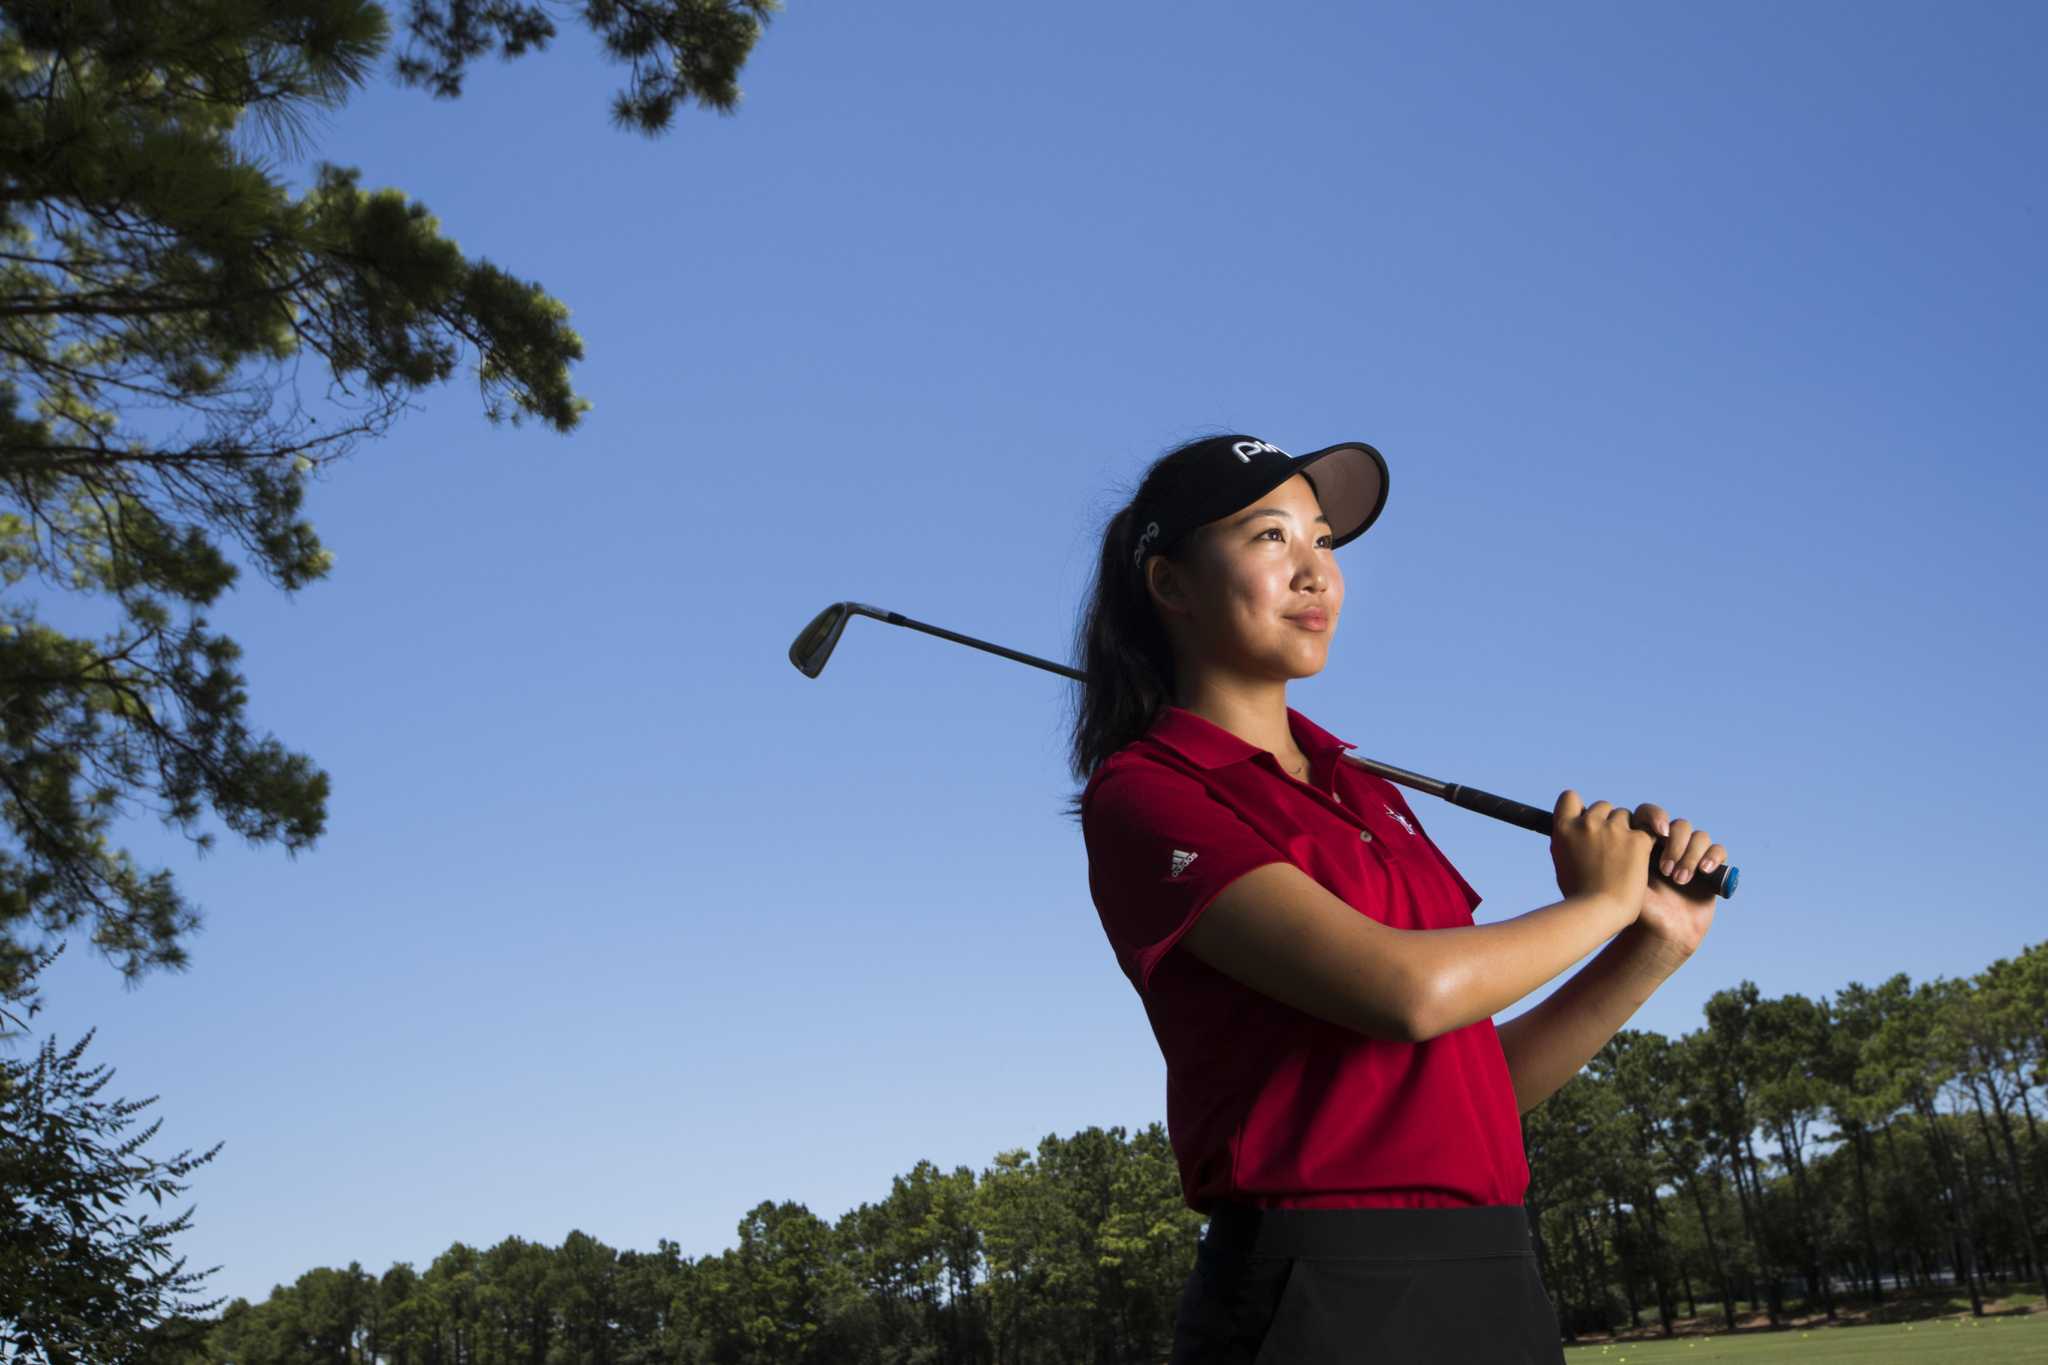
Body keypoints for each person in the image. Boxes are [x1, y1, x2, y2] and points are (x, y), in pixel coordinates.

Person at [1064, 432, 1725, 1363]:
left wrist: (1649, 941)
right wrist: (1601, 904)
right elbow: (1406, 994)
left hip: (1494, 1268)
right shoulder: (1148, 794)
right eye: (1269, 538)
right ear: (1170, 584)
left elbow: (1468, 1085)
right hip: (1319, 1291)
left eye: (1324, 542)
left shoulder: (1367, 789)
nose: (1313, 572)